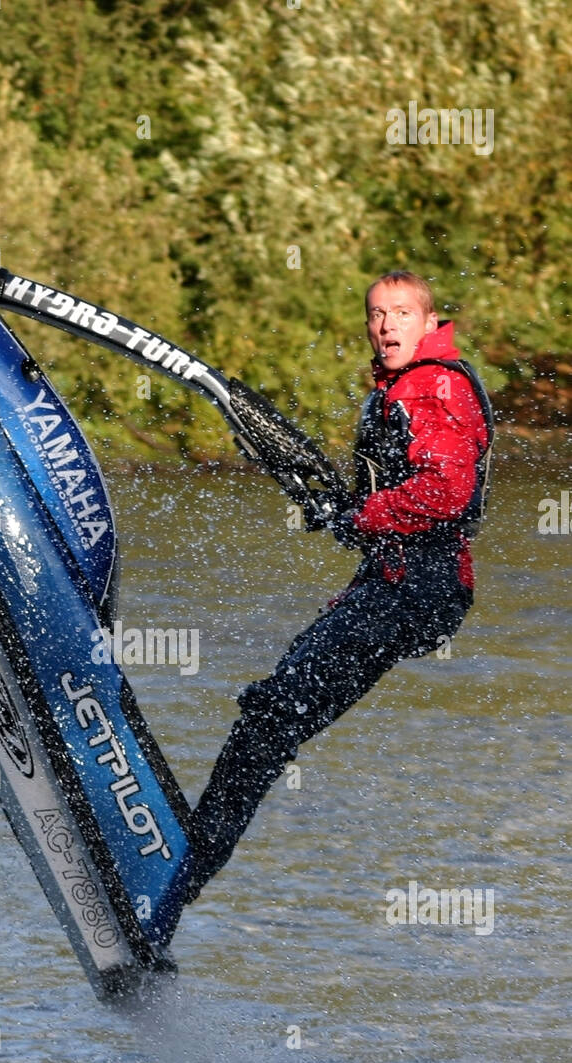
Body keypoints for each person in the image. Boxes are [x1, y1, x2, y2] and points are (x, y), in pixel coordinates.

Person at [183, 269, 494, 902]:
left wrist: (358, 518)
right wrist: (349, 516)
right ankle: (185, 873)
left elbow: (445, 490)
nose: (386, 327)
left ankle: (186, 865)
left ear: (431, 323)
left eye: (402, 314)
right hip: (398, 586)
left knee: (272, 715)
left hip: (414, 587)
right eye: (377, 315)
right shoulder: (398, 389)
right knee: (276, 717)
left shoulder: (430, 385)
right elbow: (401, 494)